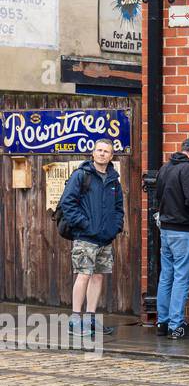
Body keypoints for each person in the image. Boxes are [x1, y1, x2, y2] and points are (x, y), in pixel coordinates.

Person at [59, 138, 124, 337]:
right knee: (84, 274)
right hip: (85, 237)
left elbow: (119, 208)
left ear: (112, 156)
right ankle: (75, 319)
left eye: (106, 151)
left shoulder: (114, 179)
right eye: (99, 150)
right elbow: (67, 204)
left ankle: (90, 318)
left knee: (98, 276)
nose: (102, 153)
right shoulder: (81, 175)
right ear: (93, 153)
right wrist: (85, 225)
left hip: (105, 238)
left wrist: (116, 227)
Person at [156, 136, 189, 339]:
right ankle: (177, 325)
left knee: (166, 276)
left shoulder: (165, 168)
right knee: (181, 278)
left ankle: (163, 322)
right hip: (183, 230)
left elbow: (157, 196)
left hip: (166, 229)